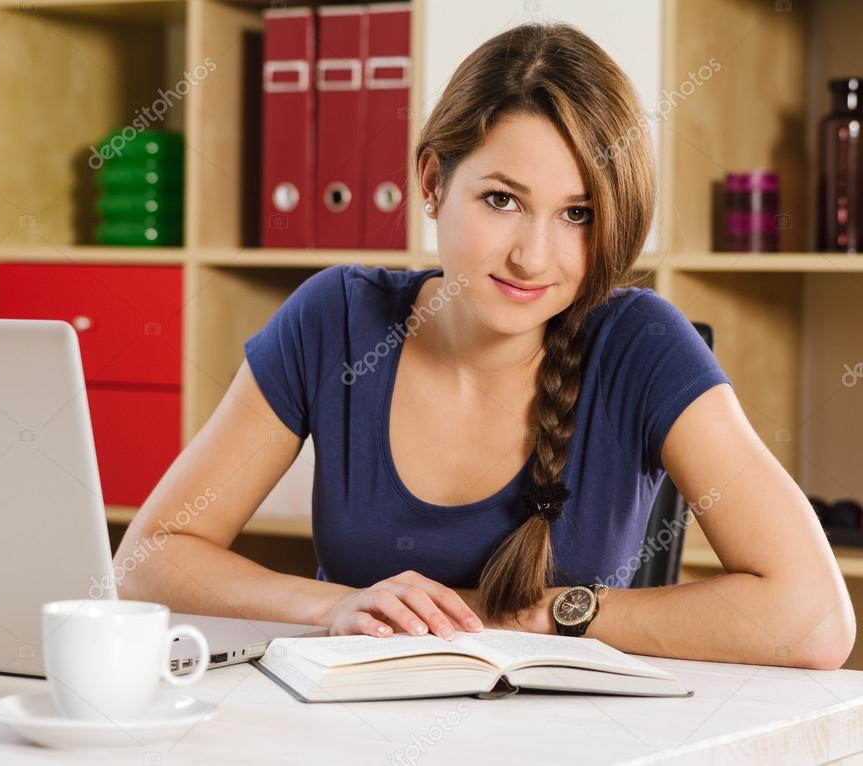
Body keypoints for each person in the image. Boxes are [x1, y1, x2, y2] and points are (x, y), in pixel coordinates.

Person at [115, 22, 854, 669]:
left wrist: (542, 613)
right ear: (433, 180)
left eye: (577, 213)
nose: (534, 256)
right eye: (501, 200)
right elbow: (146, 563)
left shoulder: (642, 345)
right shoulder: (335, 318)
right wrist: (331, 608)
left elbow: (814, 620)